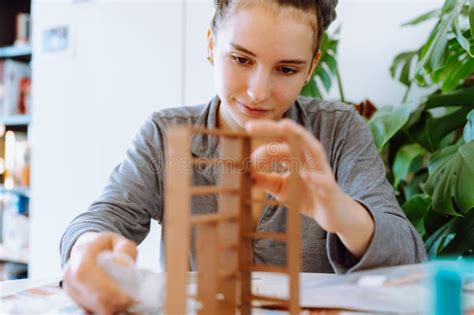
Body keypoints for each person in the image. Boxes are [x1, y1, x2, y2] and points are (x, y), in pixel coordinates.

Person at [60, 0, 427, 313]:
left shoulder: (339, 131)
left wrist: (339, 211)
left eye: (286, 69)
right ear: (210, 45)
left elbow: (408, 260)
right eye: (240, 58)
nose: (258, 91)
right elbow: (104, 217)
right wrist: (88, 248)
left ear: (311, 67)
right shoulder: (165, 135)